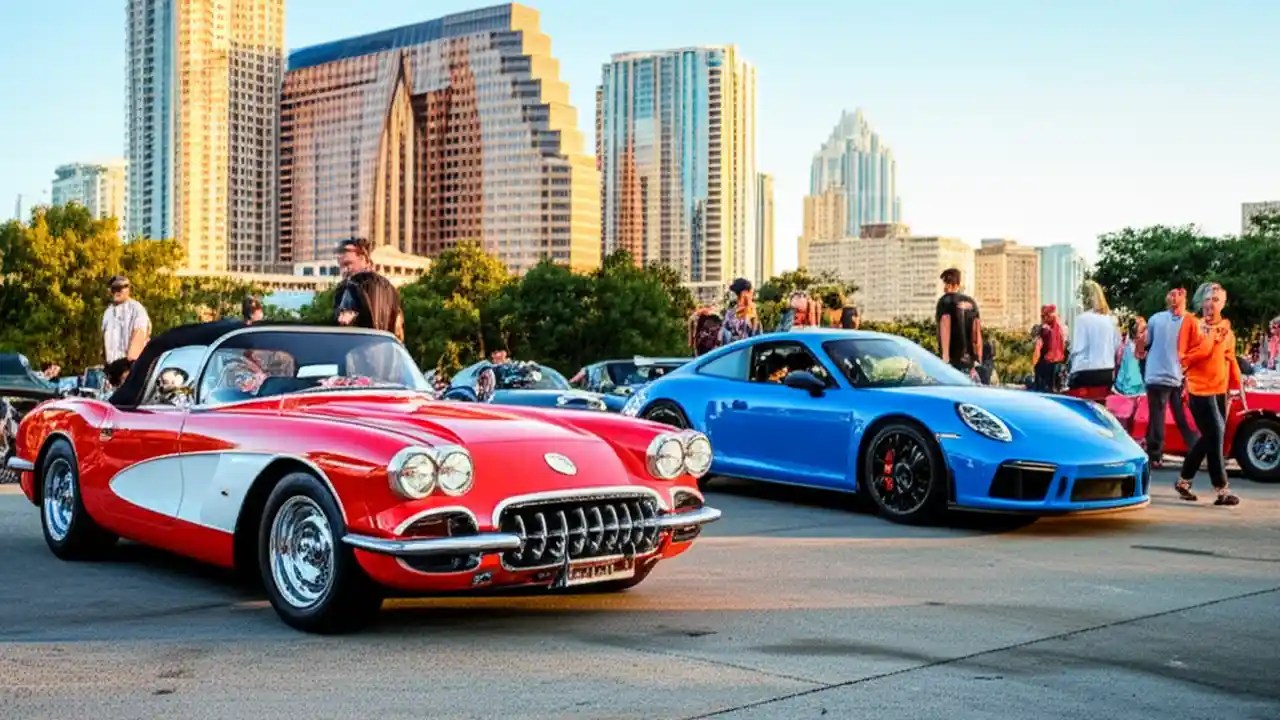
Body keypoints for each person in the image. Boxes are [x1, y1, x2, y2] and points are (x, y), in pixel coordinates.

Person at [1175, 282, 1244, 506]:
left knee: (1211, 437)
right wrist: (1207, 345)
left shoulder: (1226, 330)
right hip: (1198, 388)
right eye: (1207, 299)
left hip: (1220, 390)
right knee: (1215, 434)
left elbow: (1231, 359)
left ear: (1222, 304)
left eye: (1216, 300)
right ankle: (1222, 489)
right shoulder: (1191, 323)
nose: (1210, 304)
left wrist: (1239, 387)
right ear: (1200, 302)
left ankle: (1184, 481)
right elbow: (1182, 356)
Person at [1143, 288, 1200, 469]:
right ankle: (1195, 447)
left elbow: (1146, 343)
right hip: (1173, 375)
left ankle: (1155, 454)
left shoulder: (1156, 319)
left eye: (1177, 294)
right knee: (1177, 414)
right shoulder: (1191, 322)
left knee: (1158, 414)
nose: (1174, 297)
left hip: (1160, 374)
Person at [332, 238, 404, 341]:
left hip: (361, 349)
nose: (344, 270)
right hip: (387, 350)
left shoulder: (351, 287)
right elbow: (399, 333)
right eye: (341, 266)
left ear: (363, 260)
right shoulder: (391, 289)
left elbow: (344, 322)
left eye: (348, 264)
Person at [1067, 280, 1120, 398]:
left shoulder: (1082, 319)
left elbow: (1077, 347)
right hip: (1107, 370)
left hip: (1085, 371)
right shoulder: (1111, 319)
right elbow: (1117, 345)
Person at [935, 268, 981, 378]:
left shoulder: (945, 301)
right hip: (969, 365)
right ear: (959, 283)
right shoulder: (972, 303)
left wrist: (945, 359)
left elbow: (945, 325)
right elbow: (977, 334)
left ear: (947, 284)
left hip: (952, 362)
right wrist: (978, 360)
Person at [102, 274, 151, 364]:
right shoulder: (108, 312)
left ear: (128, 289)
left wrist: (129, 366)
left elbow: (139, 336)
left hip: (131, 366)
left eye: (120, 288)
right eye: (113, 289)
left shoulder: (137, 309)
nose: (116, 292)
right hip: (112, 367)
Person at [1030, 304, 1067, 392]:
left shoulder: (1044, 329)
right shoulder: (1063, 329)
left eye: (1043, 316)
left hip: (1046, 365)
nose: (1043, 318)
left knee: (1042, 393)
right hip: (1059, 366)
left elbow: (1037, 349)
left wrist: (1034, 365)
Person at [720, 278, 762, 345]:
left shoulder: (729, 314)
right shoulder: (750, 313)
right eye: (751, 293)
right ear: (744, 293)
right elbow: (757, 337)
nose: (752, 296)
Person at [1113, 318, 1145, 395]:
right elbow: (1131, 373)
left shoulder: (1132, 346)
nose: (1145, 334)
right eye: (1142, 332)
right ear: (1135, 334)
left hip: (1131, 386)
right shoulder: (1131, 348)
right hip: (1132, 388)